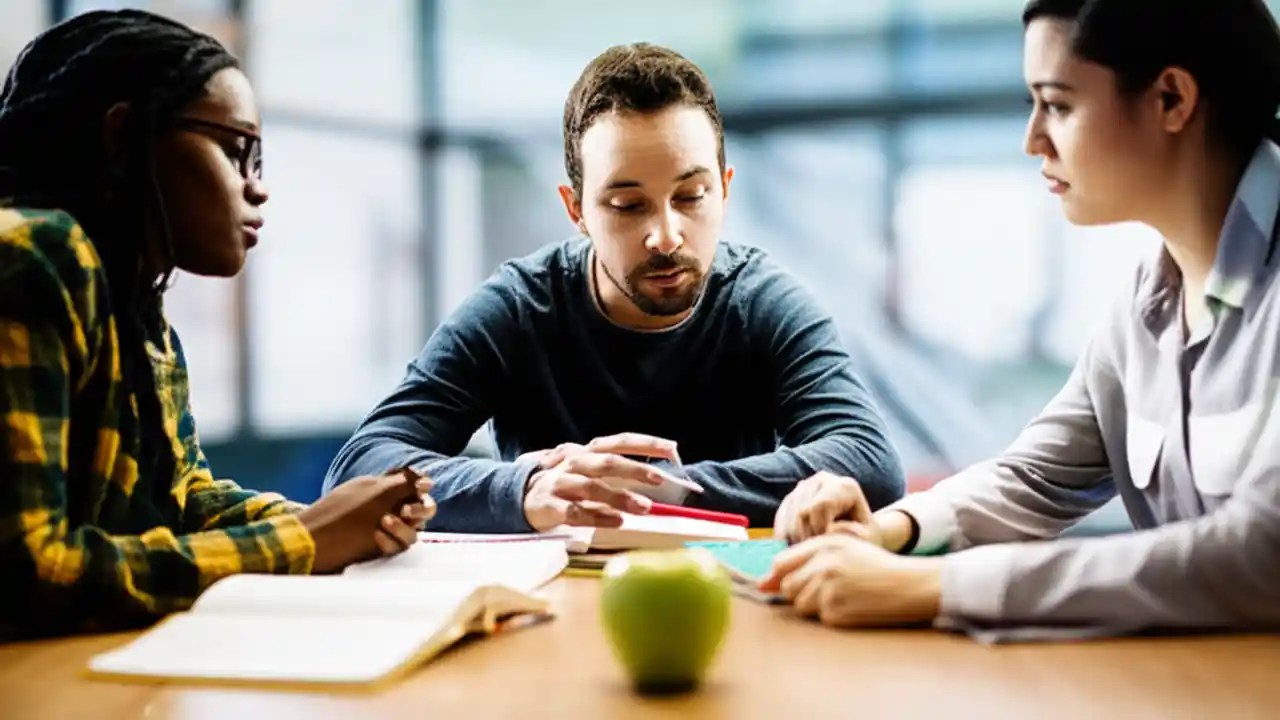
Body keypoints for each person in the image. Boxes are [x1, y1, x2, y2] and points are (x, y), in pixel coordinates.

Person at [764, 0, 1280, 636]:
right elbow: (1037, 476)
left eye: (1058, 104)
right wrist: (886, 531)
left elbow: (1263, 554)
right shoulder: (1146, 301)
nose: (1032, 138)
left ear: (1171, 99)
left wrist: (936, 587)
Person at [323, 43, 904, 533]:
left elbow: (869, 461)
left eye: (691, 196)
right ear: (576, 209)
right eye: (628, 206)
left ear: (724, 190)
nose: (666, 235)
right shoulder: (520, 307)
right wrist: (525, 487)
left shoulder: (763, 301)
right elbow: (360, 467)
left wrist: (663, 490)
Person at [0, 10, 434, 638]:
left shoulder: (139, 317)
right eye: (236, 151)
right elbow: (27, 574)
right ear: (124, 136)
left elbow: (183, 499)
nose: (257, 189)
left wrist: (340, 519)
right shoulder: (31, 254)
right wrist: (308, 536)